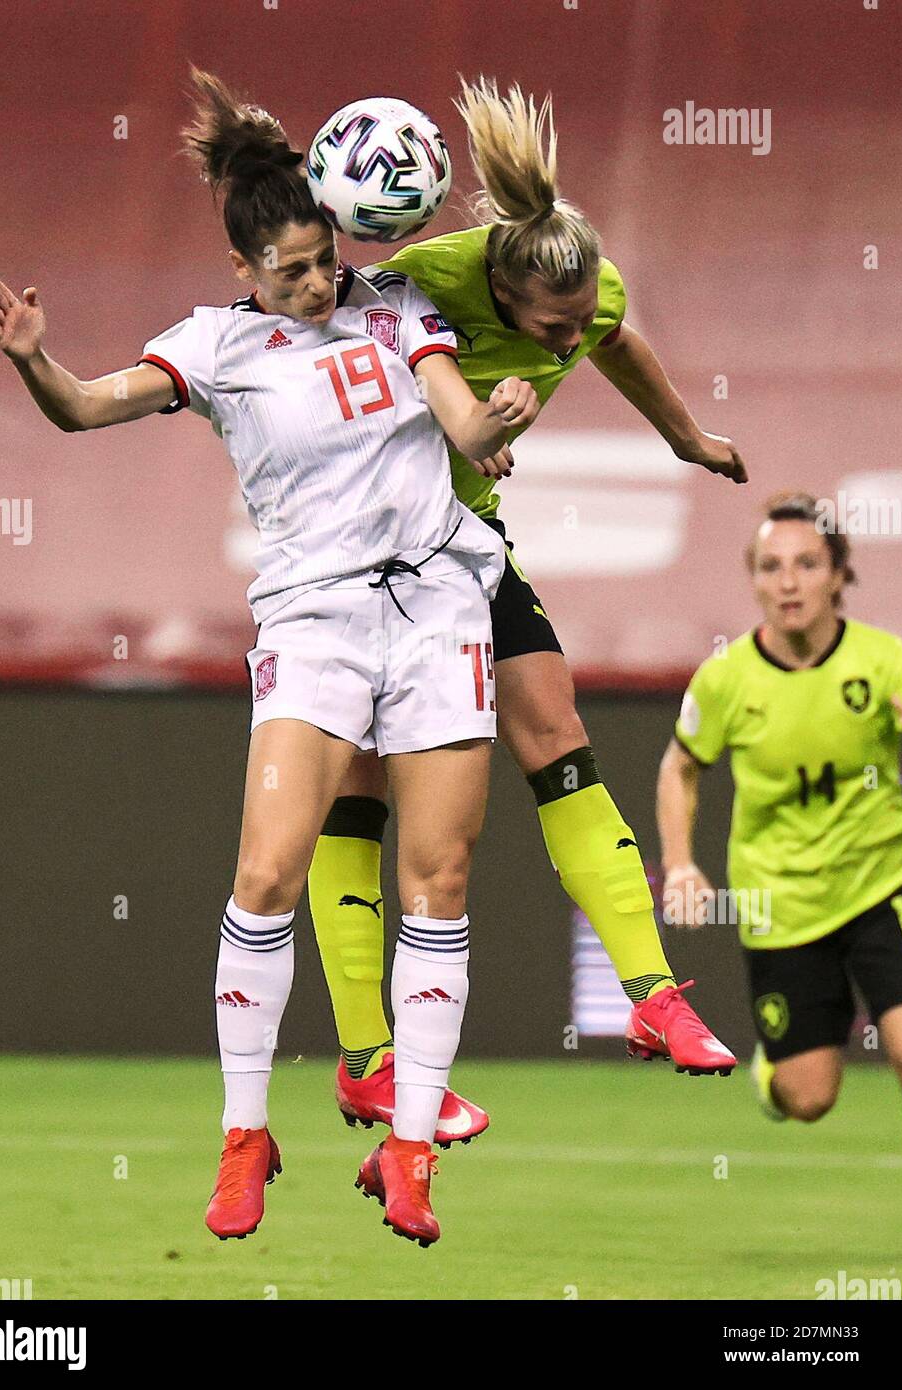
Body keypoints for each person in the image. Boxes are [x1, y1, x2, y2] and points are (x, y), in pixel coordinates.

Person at [0, 67, 541, 1248]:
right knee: (265, 876)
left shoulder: (392, 308)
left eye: (318, 259)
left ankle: (409, 1150)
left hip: (437, 604)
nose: (309, 281)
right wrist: (37, 360)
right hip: (314, 621)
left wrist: (493, 427)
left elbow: (456, 416)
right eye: (284, 269)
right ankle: (245, 1140)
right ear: (241, 270)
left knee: (437, 881)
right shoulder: (214, 347)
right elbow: (86, 408)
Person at [312, 77, 742, 1141]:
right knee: (356, 791)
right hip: (363, 558)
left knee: (557, 731)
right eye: (547, 329)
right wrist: (456, 418)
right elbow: (328, 384)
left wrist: (682, 437)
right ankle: (365, 1054)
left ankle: (650, 993)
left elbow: (616, 341)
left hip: (465, 545)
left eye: (574, 324)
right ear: (497, 295)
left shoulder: (578, 289)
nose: (563, 345)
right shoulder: (414, 289)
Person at [657, 493, 902, 1133]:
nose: (789, 582)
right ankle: (777, 1073)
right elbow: (680, 767)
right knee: (809, 1099)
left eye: (807, 564)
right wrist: (681, 865)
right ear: (754, 579)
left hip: (881, 882)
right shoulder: (726, 679)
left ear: (839, 574)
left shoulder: (885, 662)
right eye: (770, 567)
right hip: (780, 899)